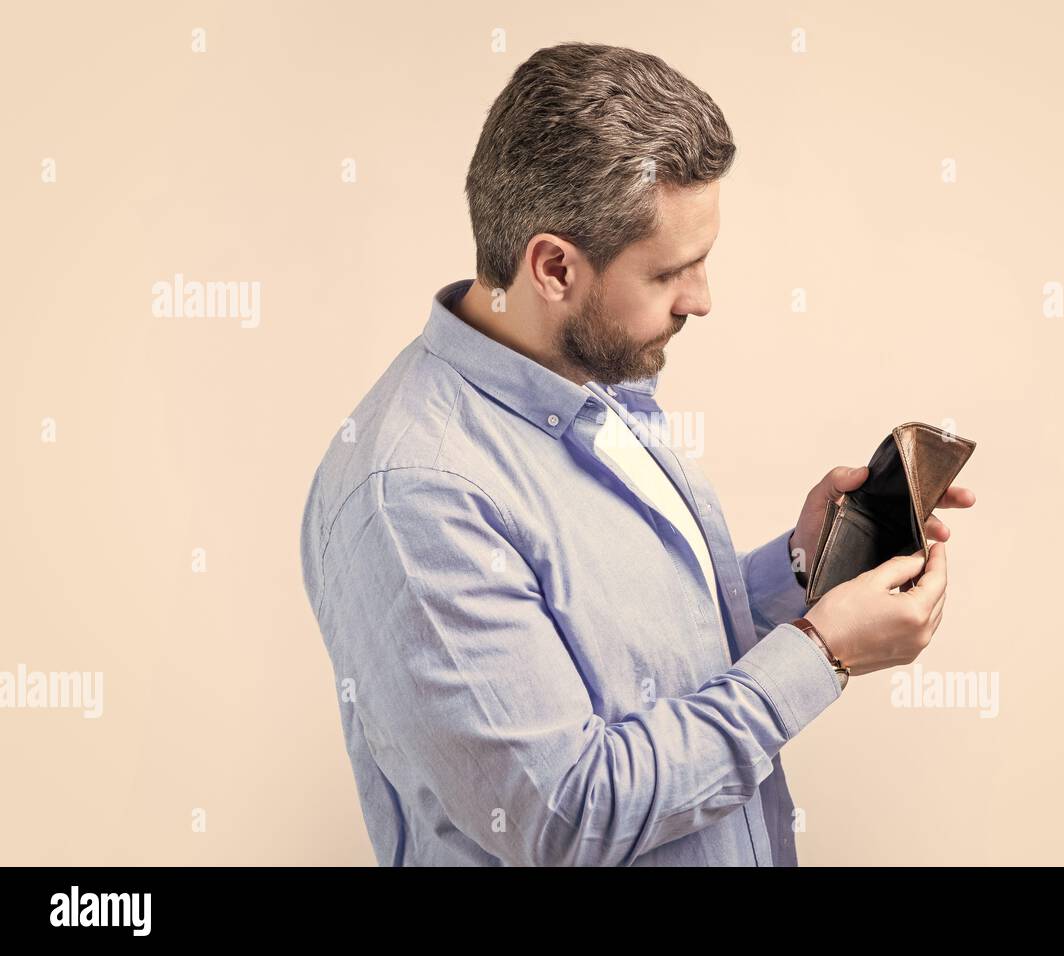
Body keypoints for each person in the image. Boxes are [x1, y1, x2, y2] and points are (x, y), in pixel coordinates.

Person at [299, 41, 975, 866]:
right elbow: (569, 815)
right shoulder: (410, 496)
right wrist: (822, 654)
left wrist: (805, 566)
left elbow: (651, 665)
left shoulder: (589, 376)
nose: (702, 299)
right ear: (552, 267)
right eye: (671, 273)